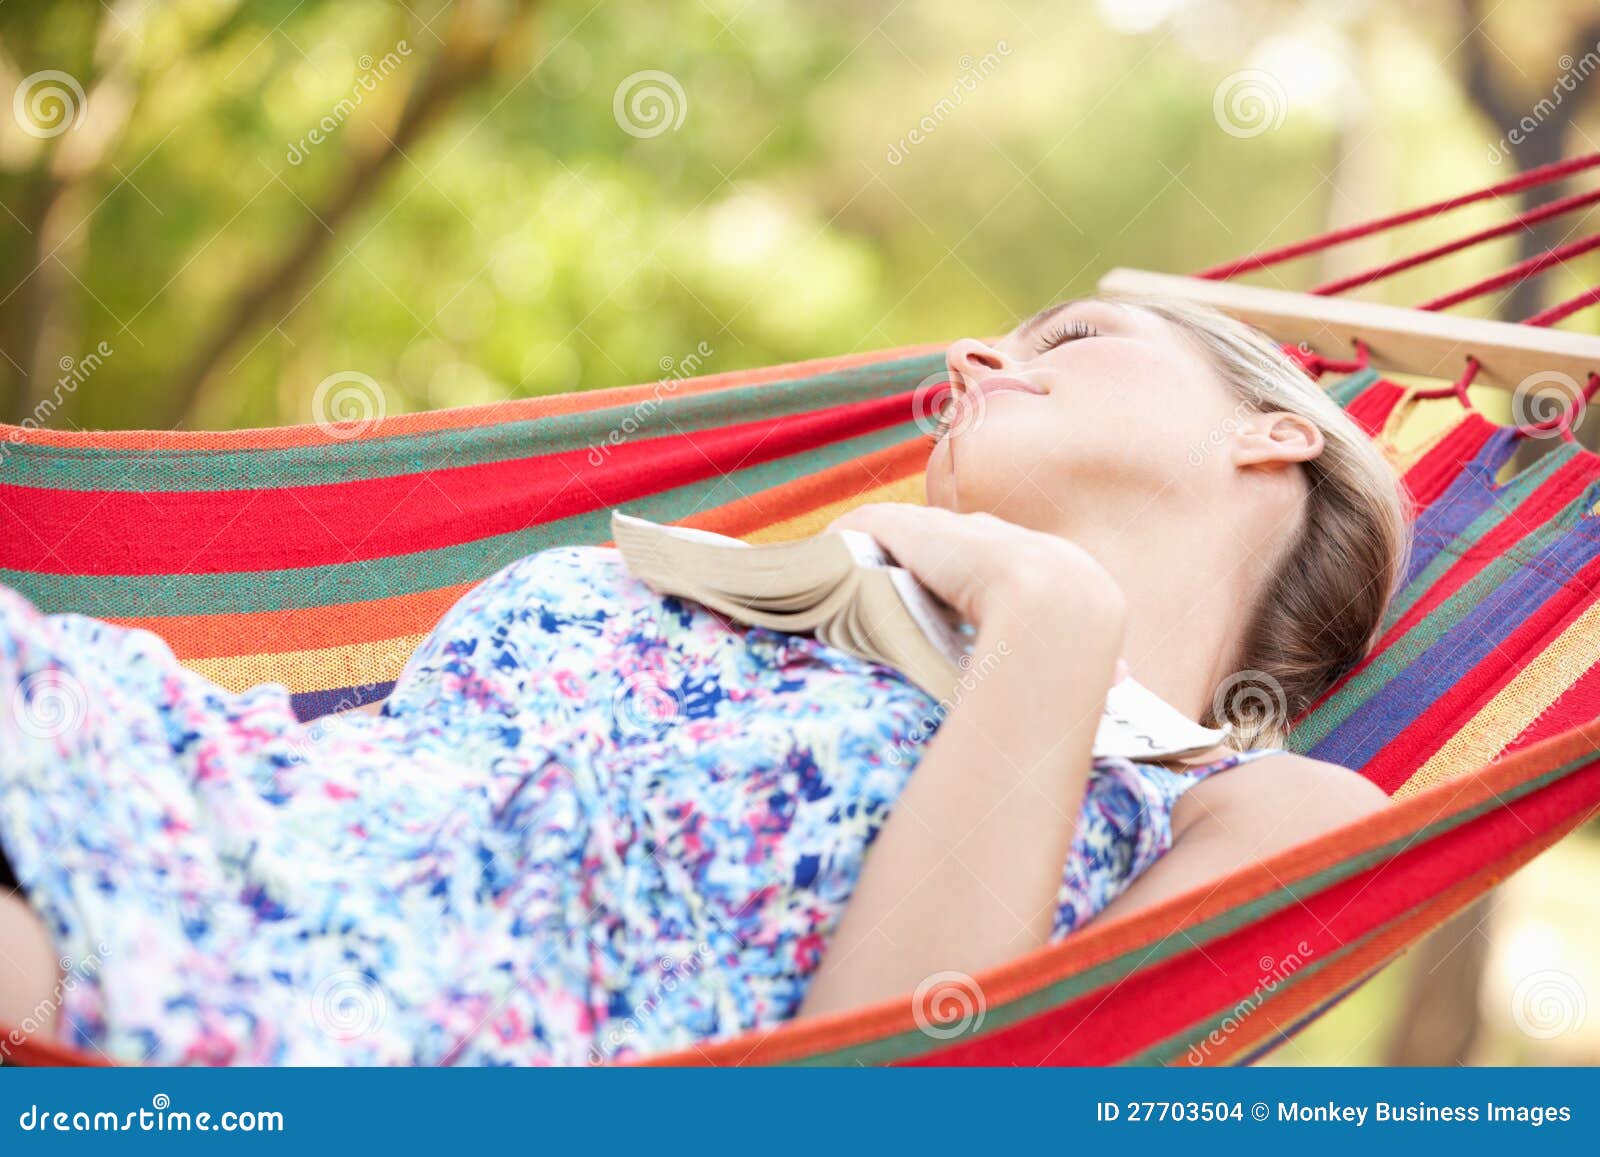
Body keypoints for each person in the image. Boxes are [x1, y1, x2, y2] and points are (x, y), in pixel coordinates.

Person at [0, 295, 1407, 1065]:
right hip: (153, 805)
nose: (975, 355)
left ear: (1271, 434)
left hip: (341, 1036)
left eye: (1072, 339)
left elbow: (905, 1083)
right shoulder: (801, 589)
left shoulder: (1253, 802)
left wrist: (1049, 611)